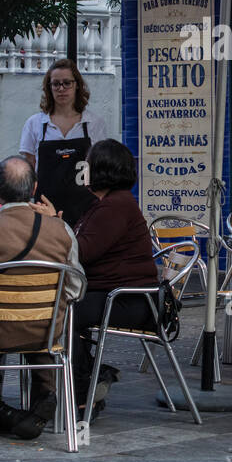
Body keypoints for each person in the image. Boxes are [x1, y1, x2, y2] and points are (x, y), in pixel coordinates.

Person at [0, 155, 83, 440]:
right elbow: (75, 290)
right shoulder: (63, 231)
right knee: (44, 323)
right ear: (34, 188)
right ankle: (46, 394)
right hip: (45, 332)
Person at [70, 139, 159, 416]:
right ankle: (90, 376)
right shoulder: (108, 204)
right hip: (116, 295)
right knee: (66, 308)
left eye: (88, 164)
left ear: (101, 169)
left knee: (62, 313)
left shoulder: (114, 207)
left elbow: (82, 251)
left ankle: (84, 389)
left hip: (127, 301)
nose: (83, 169)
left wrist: (54, 227)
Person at [18, 59, 109, 227]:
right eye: (56, 84)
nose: (61, 89)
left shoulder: (94, 123)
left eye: (67, 83)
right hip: (45, 208)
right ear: (49, 88)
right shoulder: (35, 123)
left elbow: (100, 168)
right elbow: (28, 168)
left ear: (77, 85)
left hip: (85, 208)